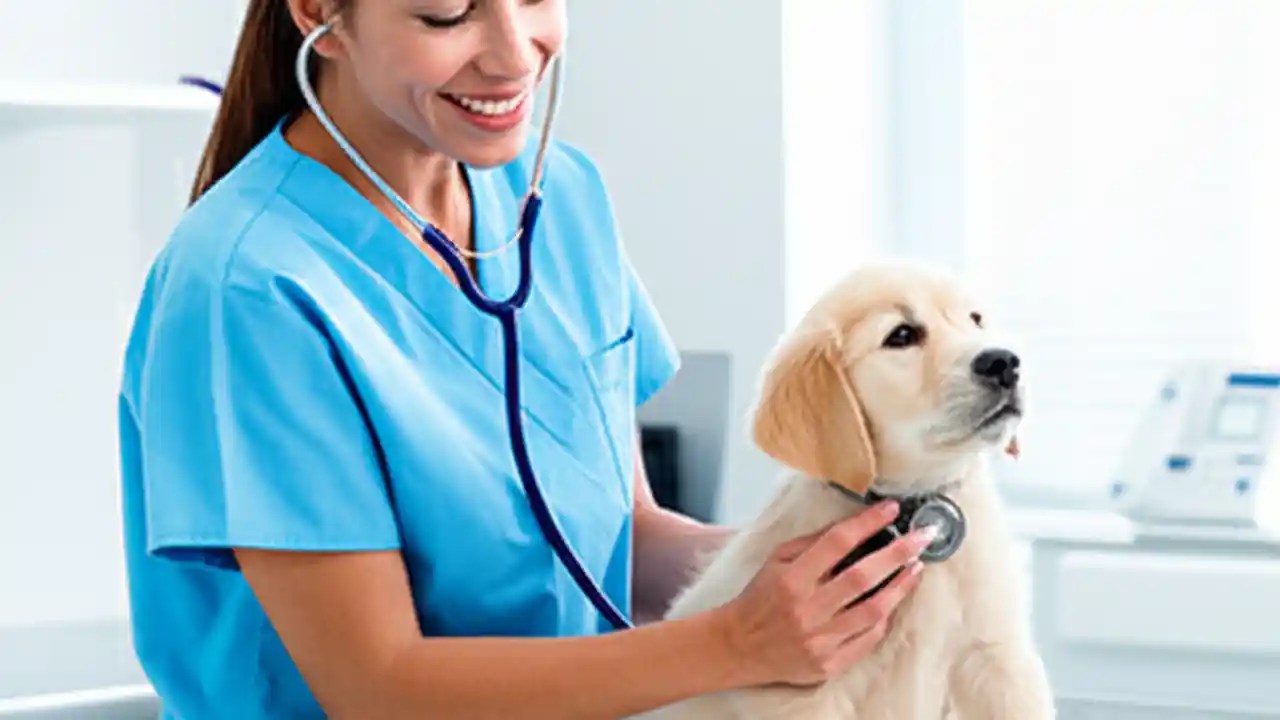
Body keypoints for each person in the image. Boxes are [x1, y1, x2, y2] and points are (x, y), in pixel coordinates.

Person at [116, 0, 931, 717]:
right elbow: (379, 687)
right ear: (316, 14)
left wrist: (830, 566)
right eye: (447, 15)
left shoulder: (563, 198)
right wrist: (737, 642)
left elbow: (626, 542)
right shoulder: (248, 286)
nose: (515, 54)